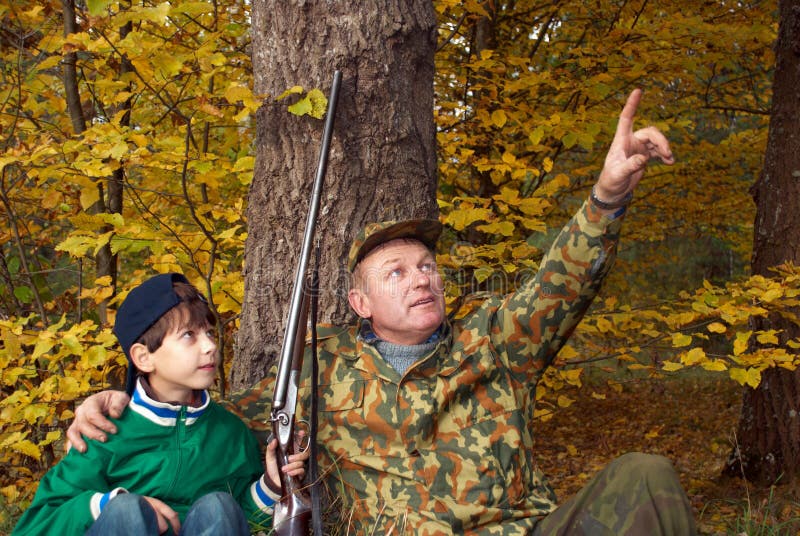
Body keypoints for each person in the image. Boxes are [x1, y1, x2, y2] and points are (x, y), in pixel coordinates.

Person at [66, 90, 697, 534]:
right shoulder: (322, 365)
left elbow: (562, 285)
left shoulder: (495, 337)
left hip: (519, 531)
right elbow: (207, 417)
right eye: (394, 273)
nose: (420, 278)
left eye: (426, 265)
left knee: (645, 473)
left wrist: (608, 194)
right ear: (359, 304)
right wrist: (117, 399)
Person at [14, 273, 309, 536]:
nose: (210, 345)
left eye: (208, 332)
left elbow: (242, 518)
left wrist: (270, 484)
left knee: (219, 506)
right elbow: (37, 525)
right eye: (188, 336)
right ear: (143, 357)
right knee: (127, 510)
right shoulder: (103, 431)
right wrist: (107, 502)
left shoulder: (229, 432)